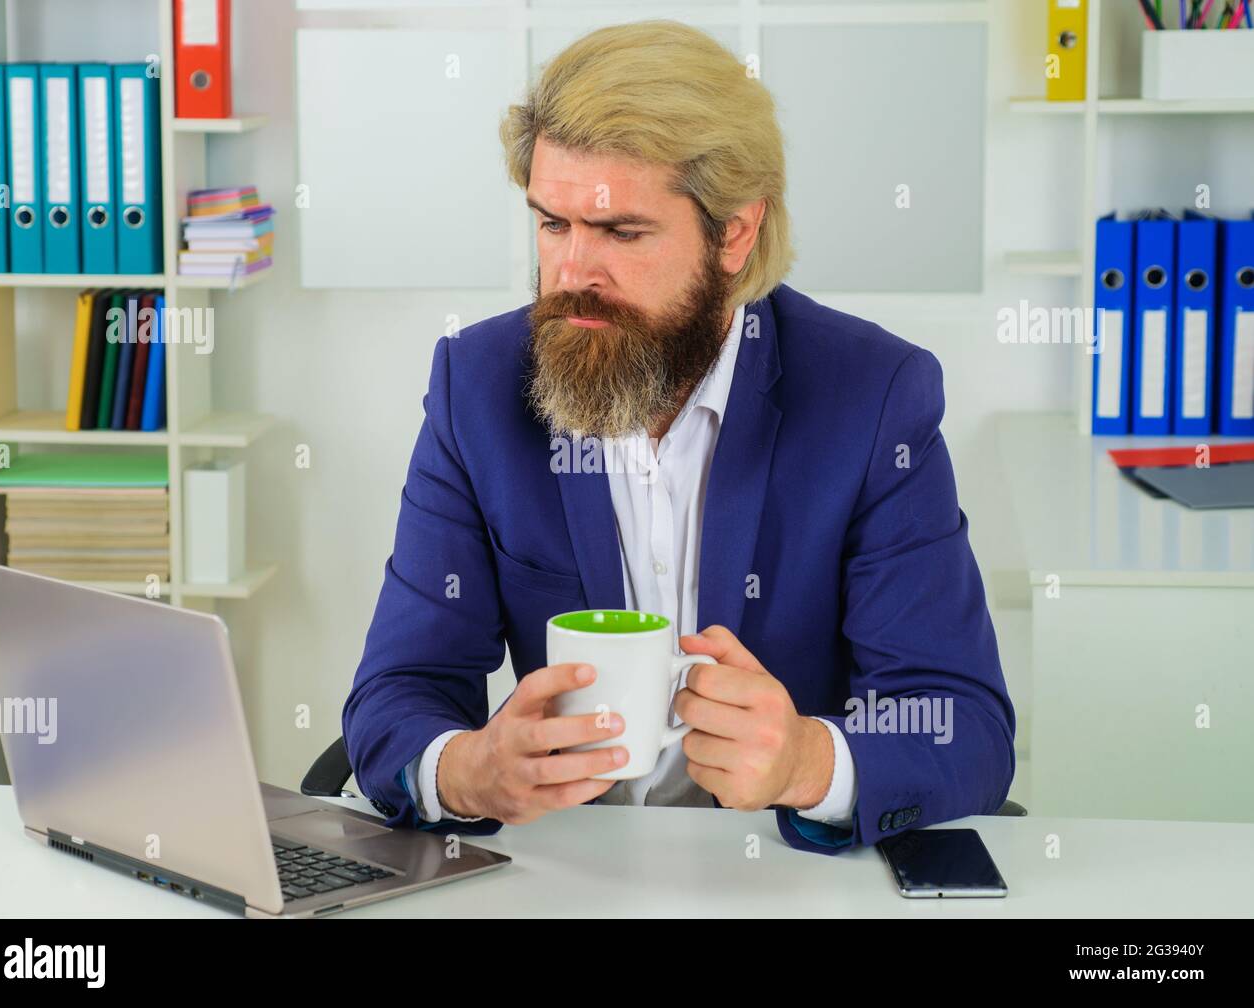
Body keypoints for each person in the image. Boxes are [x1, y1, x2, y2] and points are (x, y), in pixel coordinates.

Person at [343, 20, 1015, 854]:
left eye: (621, 232)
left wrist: (810, 760)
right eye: (553, 224)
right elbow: (396, 695)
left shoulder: (872, 397)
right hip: (562, 882)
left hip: (784, 877)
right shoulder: (475, 387)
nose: (573, 273)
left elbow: (963, 725)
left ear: (734, 232)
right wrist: (465, 768)